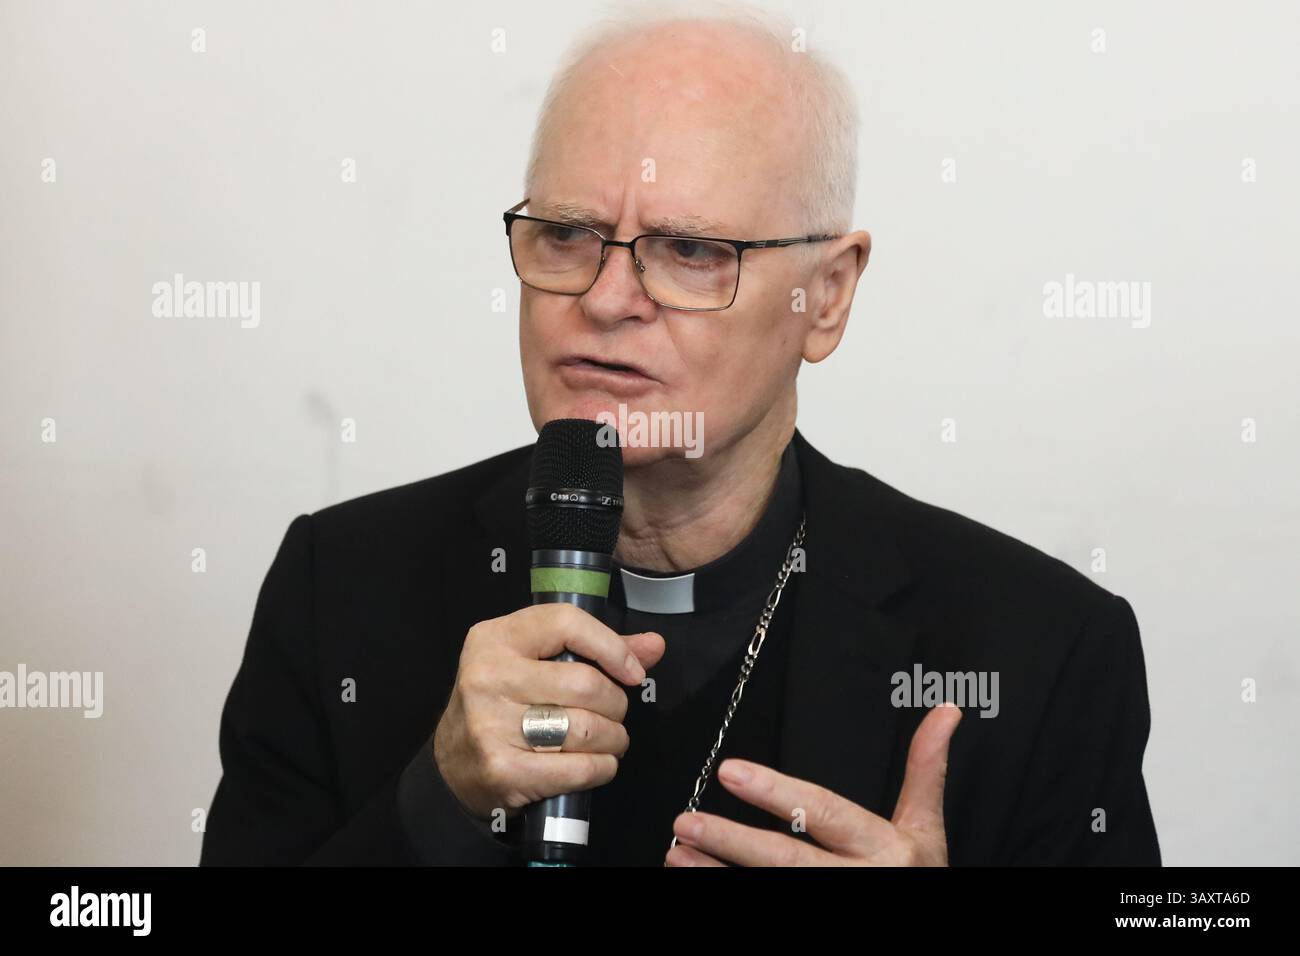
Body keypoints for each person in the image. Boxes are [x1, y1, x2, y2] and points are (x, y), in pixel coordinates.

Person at [200, 2, 1160, 867]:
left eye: (692, 251)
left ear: (826, 297)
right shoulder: (341, 590)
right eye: (567, 235)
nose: (609, 299)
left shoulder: (1042, 648)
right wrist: (434, 805)